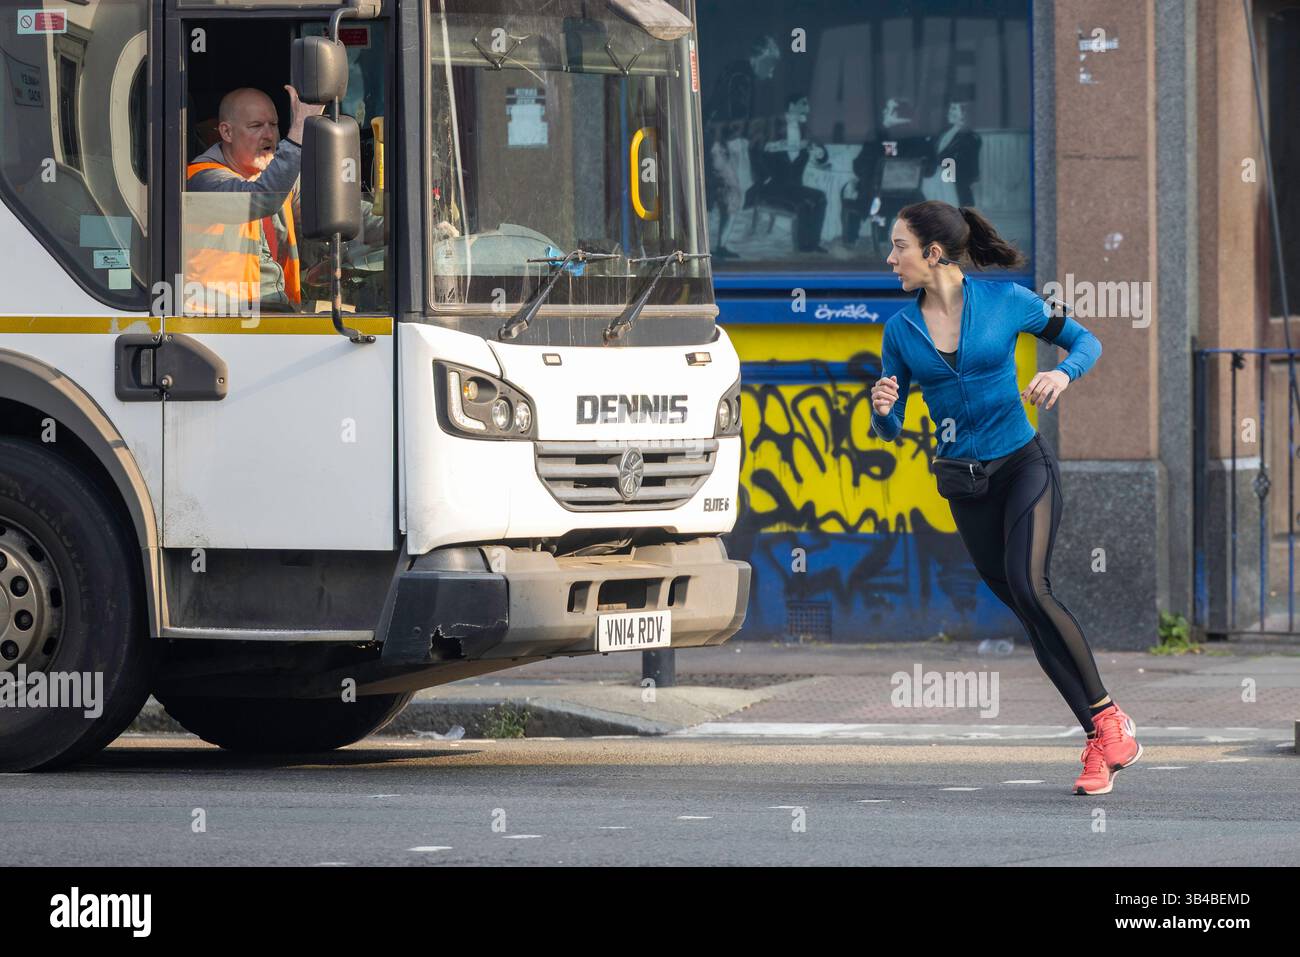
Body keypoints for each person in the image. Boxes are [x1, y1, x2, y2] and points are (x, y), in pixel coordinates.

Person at [868, 199, 1140, 796]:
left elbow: (1085, 341)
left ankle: (1109, 717)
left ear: (933, 253)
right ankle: (1101, 737)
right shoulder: (900, 330)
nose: (891, 259)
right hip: (964, 485)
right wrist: (883, 410)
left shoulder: (1008, 302)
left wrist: (1063, 373)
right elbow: (888, 430)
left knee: (1030, 584)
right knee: (1026, 610)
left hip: (1023, 465)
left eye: (899, 247)